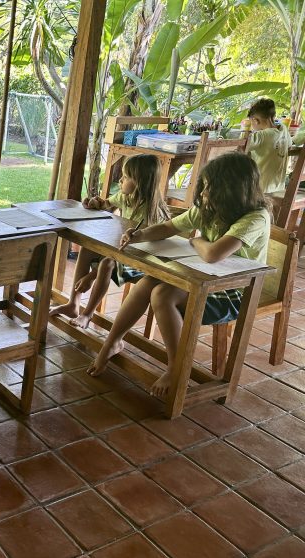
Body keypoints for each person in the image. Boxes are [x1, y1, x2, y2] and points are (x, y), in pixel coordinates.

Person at [88, 153, 270, 397]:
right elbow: (168, 227)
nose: (203, 193)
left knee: (162, 295)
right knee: (147, 283)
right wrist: (140, 235)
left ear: (231, 190)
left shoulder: (256, 217)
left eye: (209, 188)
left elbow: (213, 254)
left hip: (234, 294)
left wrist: (197, 241)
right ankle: (113, 342)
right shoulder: (209, 209)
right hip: (201, 280)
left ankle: (176, 366)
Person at [48, 154, 169, 329]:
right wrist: (94, 203)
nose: (120, 180)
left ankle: (87, 314)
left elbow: (134, 251)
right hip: (122, 251)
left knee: (106, 263)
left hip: (142, 262)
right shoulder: (126, 197)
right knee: (87, 249)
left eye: (126, 177)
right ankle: (73, 304)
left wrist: (90, 277)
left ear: (140, 182)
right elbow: (105, 204)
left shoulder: (151, 214)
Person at [246, 98, 291, 194]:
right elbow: (290, 145)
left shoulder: (261, 136)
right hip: (279, 187)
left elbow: (241, 146)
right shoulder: (284, 130)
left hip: (260, 189)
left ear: (256, 120)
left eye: (251, 123)